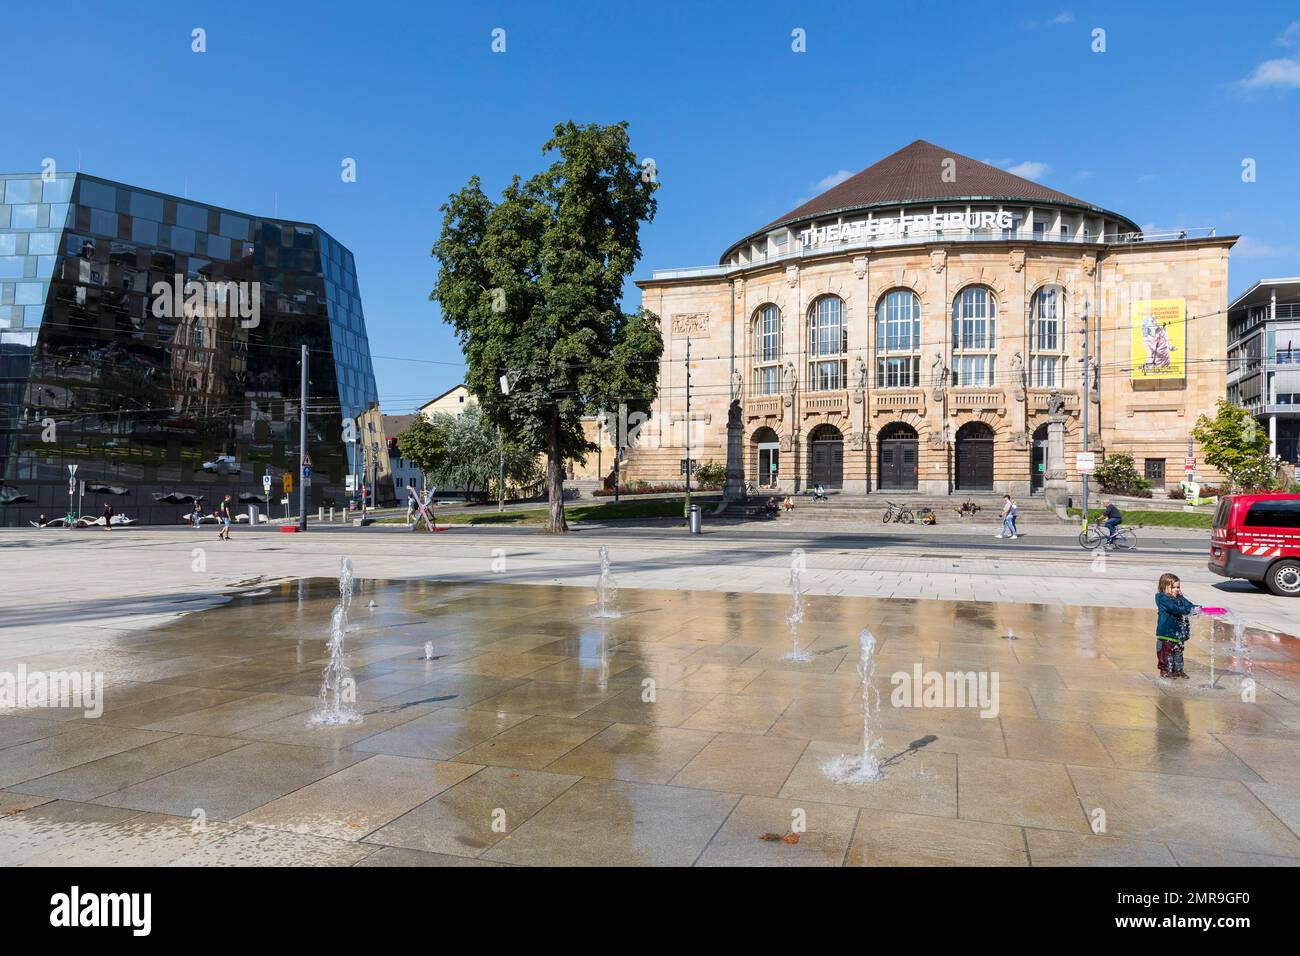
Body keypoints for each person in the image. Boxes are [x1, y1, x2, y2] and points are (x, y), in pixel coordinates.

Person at [1154, 572, 1197, 679]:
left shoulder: (1180, 598)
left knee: (1178, 652)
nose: (1176, 589)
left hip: (1178, 632)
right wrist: (1190, 610)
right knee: (1166, 652)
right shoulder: (1162, 598)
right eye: (1173, 587)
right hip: (1166, 632)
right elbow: (1175, 609)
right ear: (1164, 587)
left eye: (1178, 587)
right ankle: (1165, 670)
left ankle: (1178, 670)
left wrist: (1196, 608)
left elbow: (1189, 604)